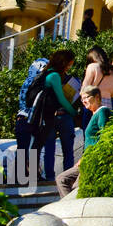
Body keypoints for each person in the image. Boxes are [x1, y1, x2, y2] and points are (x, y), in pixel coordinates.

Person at [28, 50, 80, 183]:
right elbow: (61, 99)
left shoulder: (47, 72)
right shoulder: (54, 76)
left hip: (43, 115)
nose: (70, 67)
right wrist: (75, 114)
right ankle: (38, 176)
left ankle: (41, 176)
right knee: (42, 145)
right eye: (69, 64)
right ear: (63, 62)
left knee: (42, 146)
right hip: (47, 117)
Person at [54, 86, 113, 197]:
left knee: (76, 188)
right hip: (86, 160)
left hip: (93, 160)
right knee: (62, 179)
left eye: (86, 97)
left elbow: (105, 136)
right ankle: (70, 209)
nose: (83, 101)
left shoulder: (102, 112)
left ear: (97, 97)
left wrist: (87, 158)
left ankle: (72, 209)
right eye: (82, 99)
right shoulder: (94, 115)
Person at [15, 55, 51, 168]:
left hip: (21, 119)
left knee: (22, 150)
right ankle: (33, 174)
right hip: (32, 120)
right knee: (35, 150)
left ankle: (20, 176)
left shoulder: (26, 82)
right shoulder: (39, 83)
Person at [80, 47, 113, 125]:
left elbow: (84, 89)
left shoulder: (92, 67)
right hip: (107, 106)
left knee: (90, 133)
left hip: (91, 104)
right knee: (103, 133)